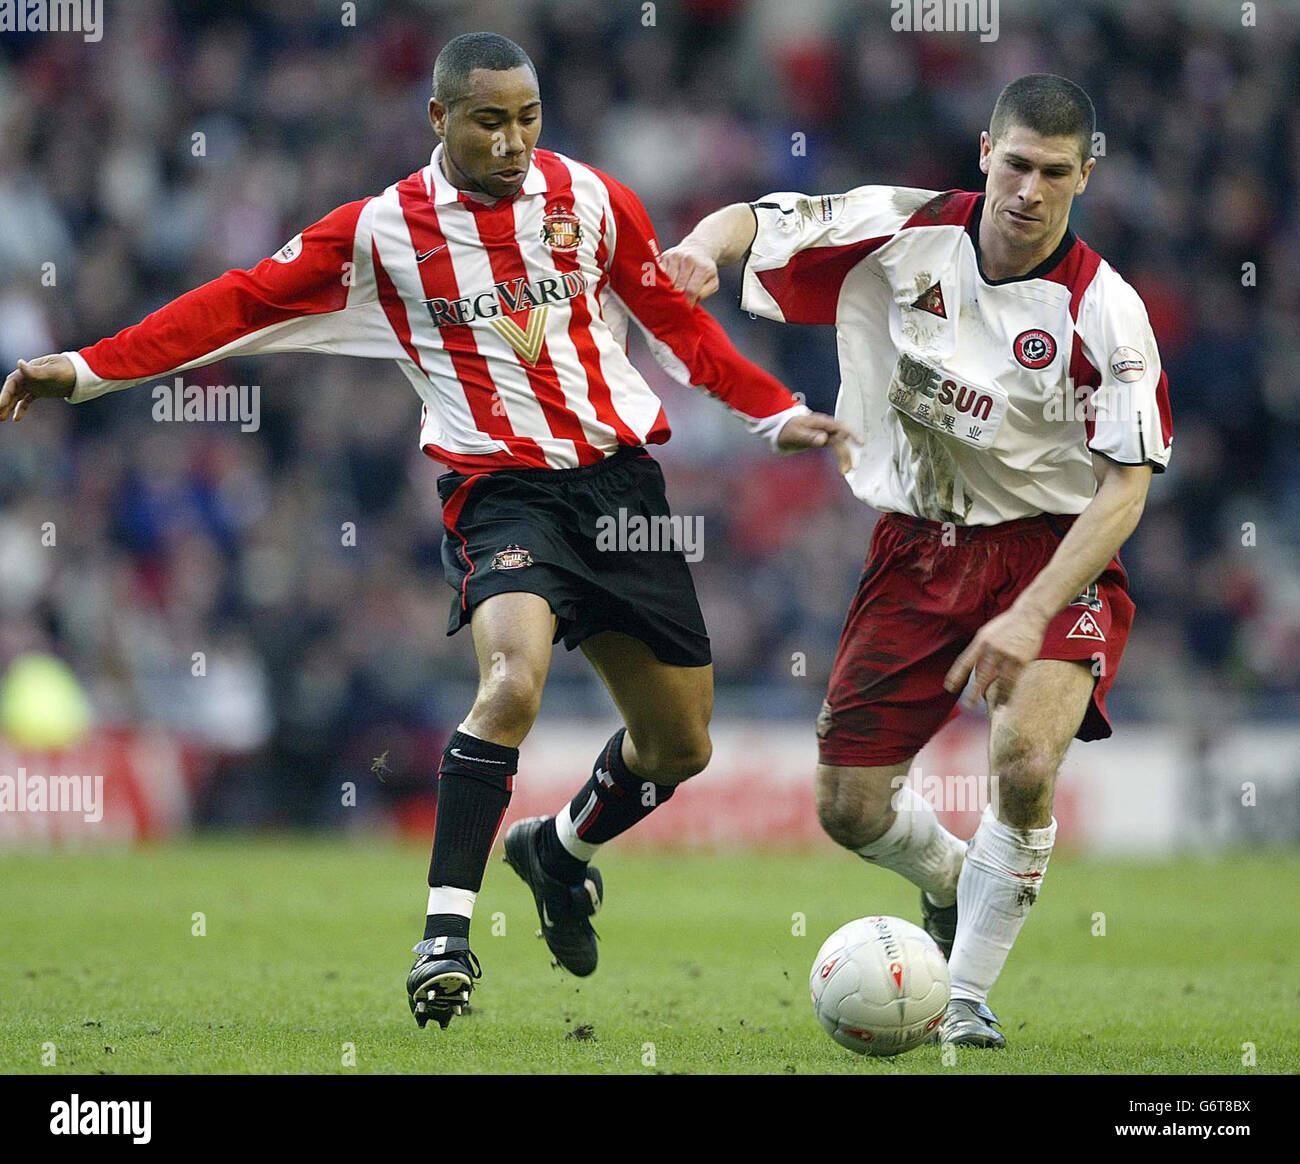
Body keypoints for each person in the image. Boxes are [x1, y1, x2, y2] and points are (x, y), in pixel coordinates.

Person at [0, 32, 855, 1031]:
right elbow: (237, 304)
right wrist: (88, 367)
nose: (512, 140)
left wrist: (776, 413)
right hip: (502, 496)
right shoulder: (381, 231)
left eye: (527, 118)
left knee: (679, 747)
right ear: (439, 119)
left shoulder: (590, 198)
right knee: (511, 682)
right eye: (489, 120)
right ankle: (444, 934)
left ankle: (558, 850)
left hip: (622, 491)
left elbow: (676, 322)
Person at [661, 74, 1172, 1047]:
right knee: (848, 810)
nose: (1028, 189)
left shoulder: (1106, 312)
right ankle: (949, 885)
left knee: (1022, 762)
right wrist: (696, 250)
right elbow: (755, 220)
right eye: (1015, 164)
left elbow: (1123, 492)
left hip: (1052, 551)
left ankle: (965, 1000)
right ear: (984, 151)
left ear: (1085, 175)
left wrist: (1028, 614)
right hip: (916, 545)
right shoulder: (904, 228)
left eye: (1053, 173)